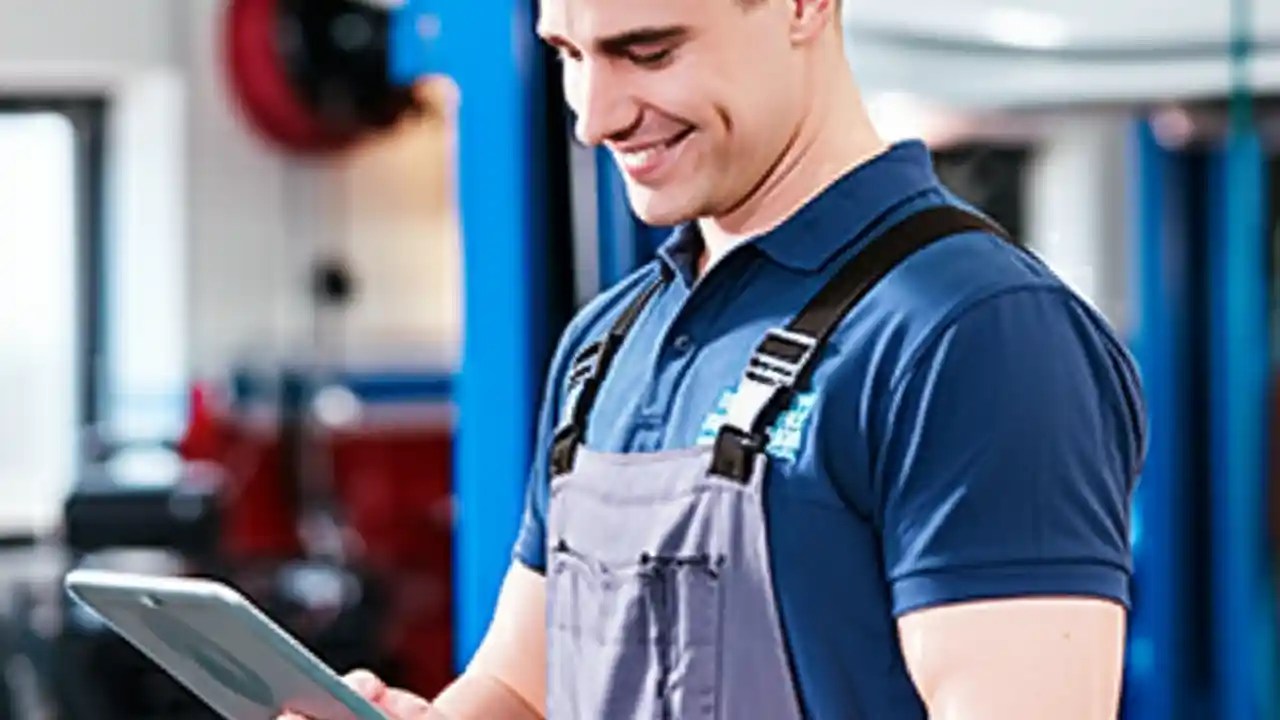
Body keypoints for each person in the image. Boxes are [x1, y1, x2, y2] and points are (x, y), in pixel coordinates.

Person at [284, 0, 1146, 717]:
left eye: (647, 51)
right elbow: (523, 688)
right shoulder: (605, 345)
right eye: (570, 55)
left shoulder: (972, 335)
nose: (594, 117)